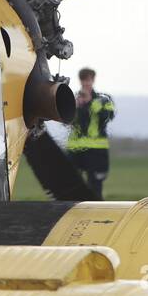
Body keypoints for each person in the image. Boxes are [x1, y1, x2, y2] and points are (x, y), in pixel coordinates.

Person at [66, 67, 116, 199]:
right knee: (71, 185)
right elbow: (66, 122)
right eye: (83, 80)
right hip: (76, 149)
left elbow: (108, 117)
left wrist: (90, 104)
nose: (86, 83)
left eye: (88, 80)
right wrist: (75, 108)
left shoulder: (103, 100)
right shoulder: (73, 99)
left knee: (95, 187)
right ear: (80, 81)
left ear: (93, 80)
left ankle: (96, 215)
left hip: (96, 150)